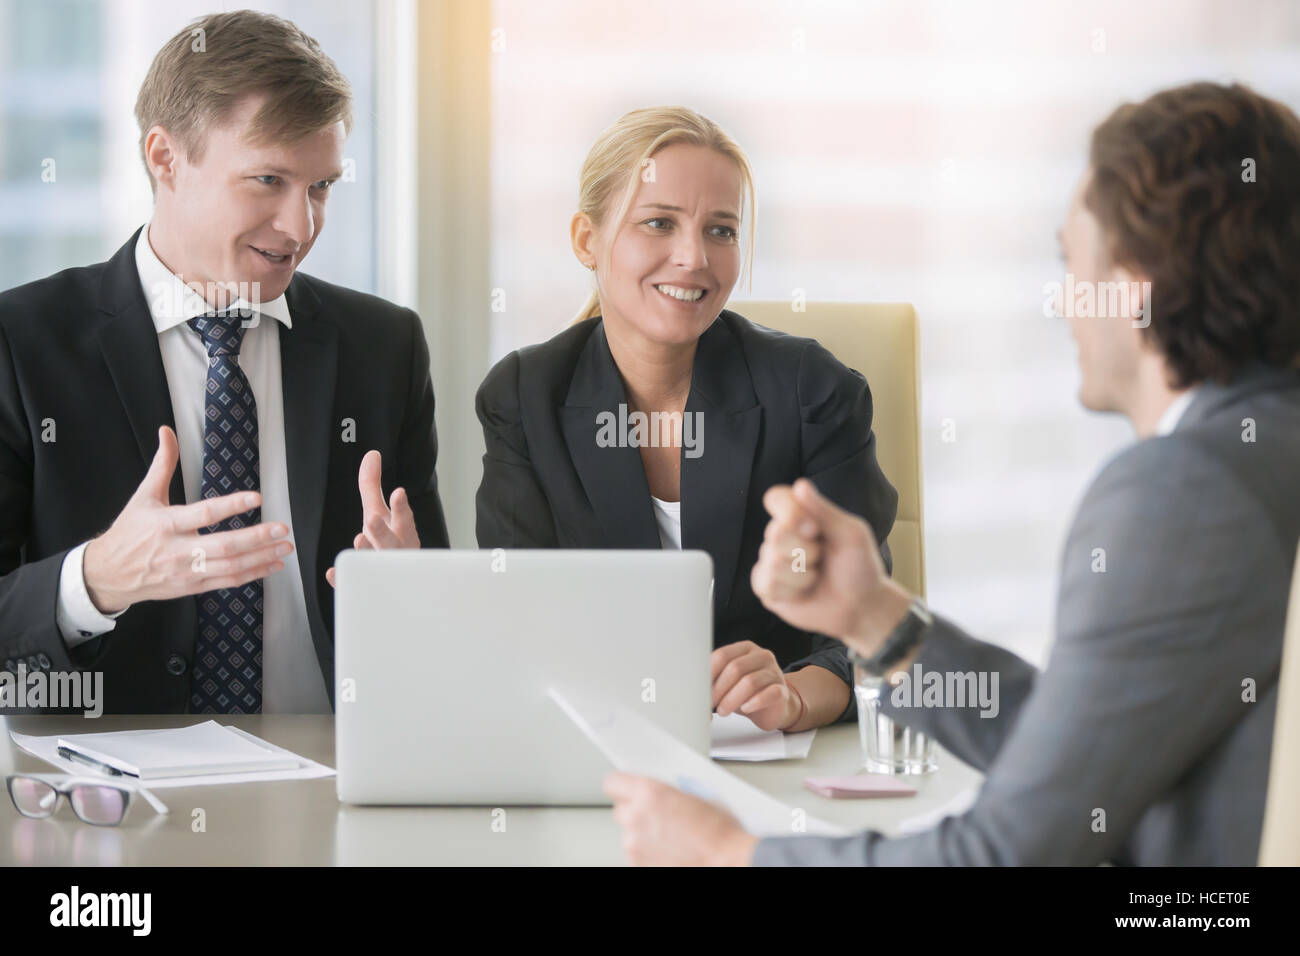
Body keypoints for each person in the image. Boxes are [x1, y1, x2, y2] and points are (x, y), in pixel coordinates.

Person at [605, 81, 1300, 865]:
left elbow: (1002, 852)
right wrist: (875, 618)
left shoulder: (1184, 491)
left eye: (1072, 264)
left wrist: (731, 855)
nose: (1062, 303)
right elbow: (1068, 750)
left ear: (1135, 283)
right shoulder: (1263, 448)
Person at [0, 10, 448, 715]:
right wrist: (94, 582)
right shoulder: (22, 342)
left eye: (322, 187)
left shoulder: (383, 347)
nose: (302, 228)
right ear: (165, 158)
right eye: (268, 180)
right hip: (109, 804)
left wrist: (417, 602)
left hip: (331, 790)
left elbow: (440, 639)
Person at [472, 107, 898, 732]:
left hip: (780, 765)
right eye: (659, 223)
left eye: (721, 231)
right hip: (595, 757)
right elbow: (520, 625)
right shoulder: (523, 397)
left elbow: (872, 624)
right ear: (587, 240)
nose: (694, 257)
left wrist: (798, 692)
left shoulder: (812, 391)